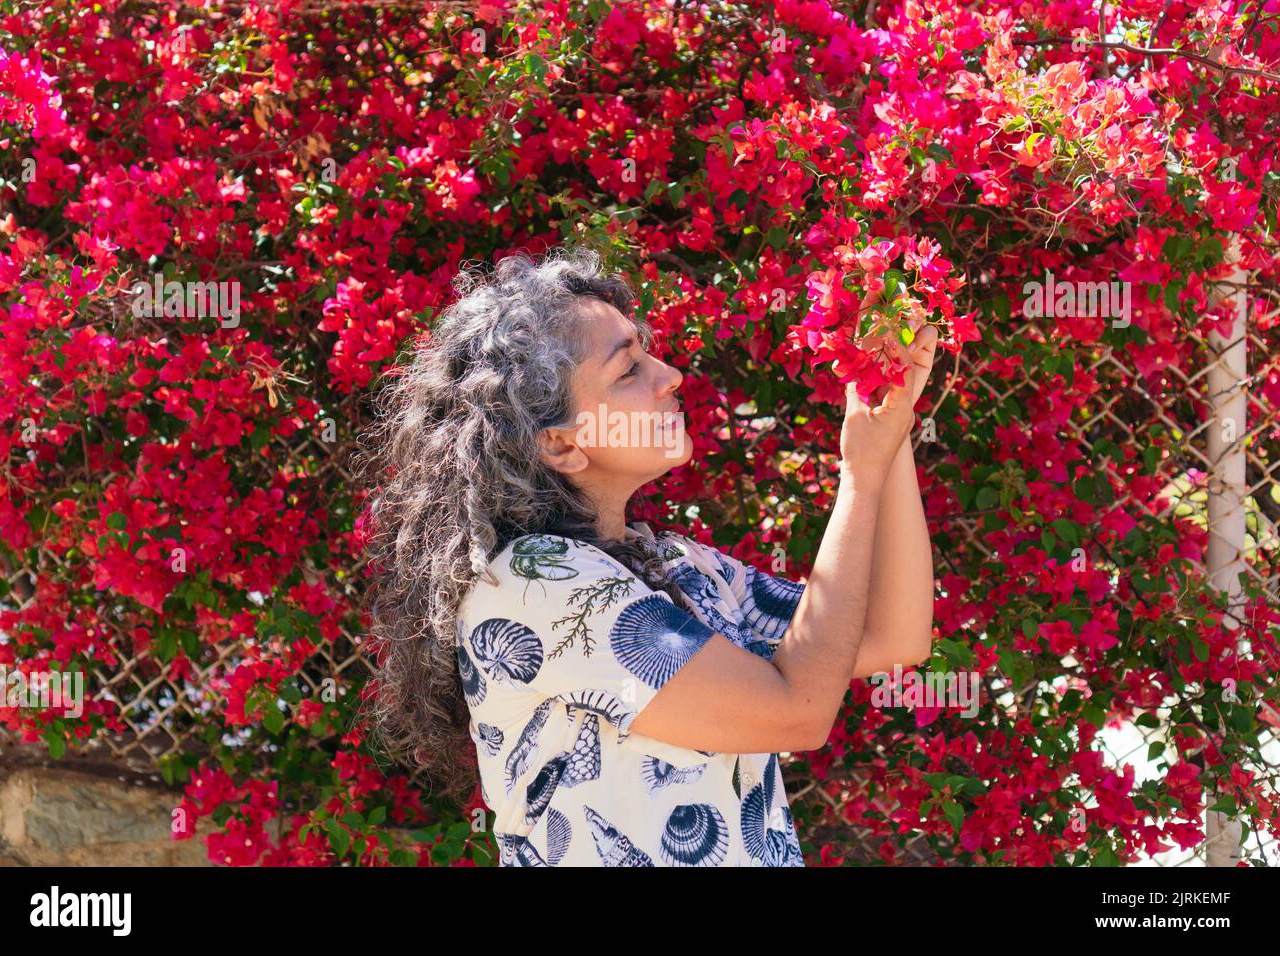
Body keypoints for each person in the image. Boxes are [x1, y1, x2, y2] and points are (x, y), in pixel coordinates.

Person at [361, 243, 937, 866]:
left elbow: (890, 634)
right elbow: (796, 711)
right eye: (628, 369)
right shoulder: (534, 585)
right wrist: (859, 475)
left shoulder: (680, 566)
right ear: (560, 444)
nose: (670, 376)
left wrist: (889, 433)